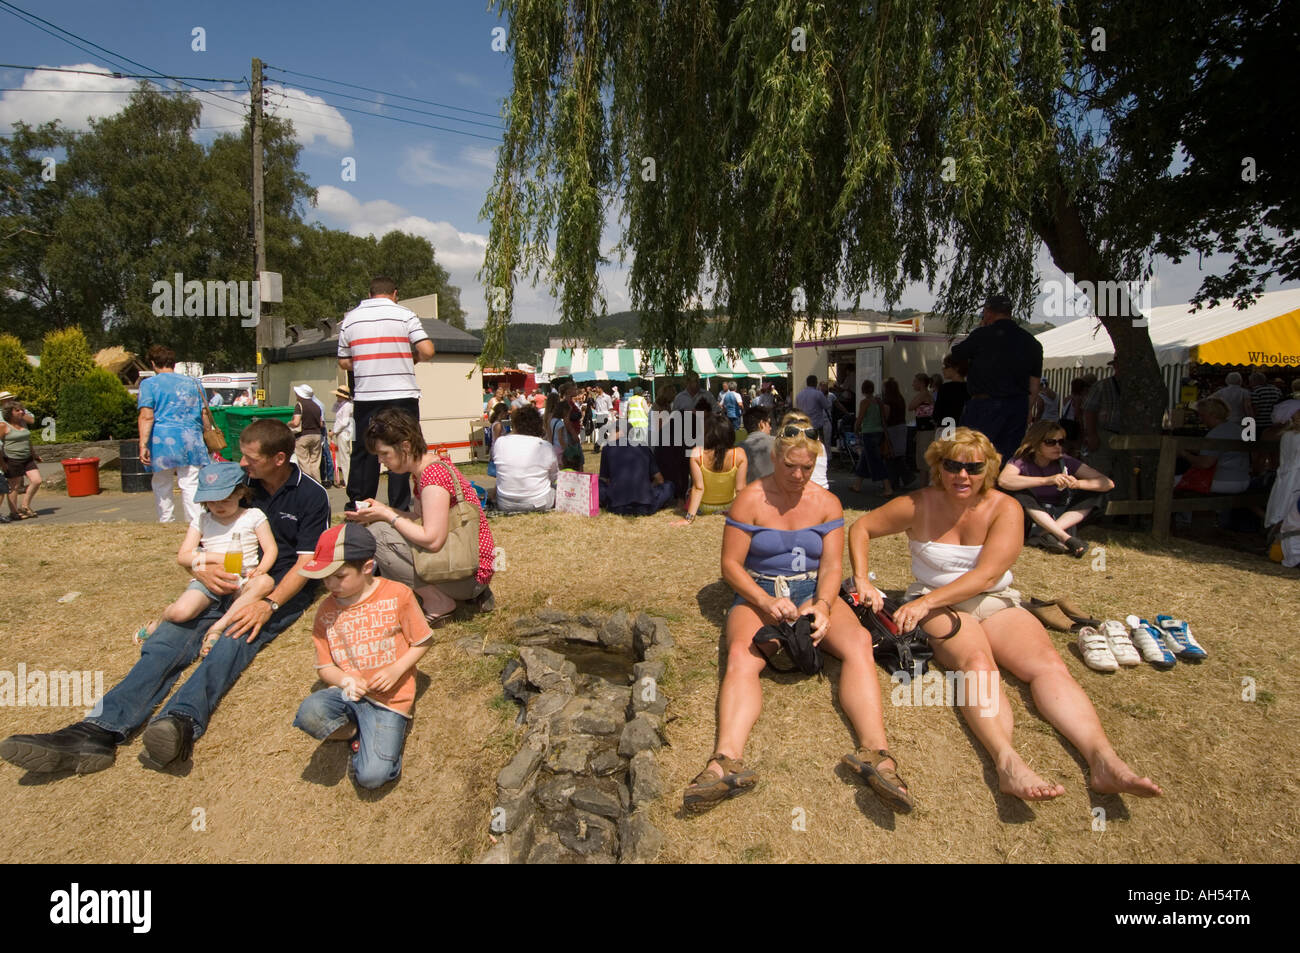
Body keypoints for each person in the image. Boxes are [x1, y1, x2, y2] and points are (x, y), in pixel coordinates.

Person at [847, 427, 1162, 801]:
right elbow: (862, 527)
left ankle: (1104, 760)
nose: (962, 476)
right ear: (938, 466)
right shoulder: (918, 503)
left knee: (1048, 666)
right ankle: (1007, 762)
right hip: (937, 602)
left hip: (992, 598)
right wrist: (862, 580)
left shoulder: (1006, 508)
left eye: (974, 468)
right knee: (978, 664)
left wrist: (922, 604)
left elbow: (989, 575)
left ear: (989, 470)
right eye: (952, 466)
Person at [0, 419, 330, 773]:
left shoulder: (310, 495)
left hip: (269, 587)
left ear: (279, 458)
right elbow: (203, 539)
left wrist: (269, 604)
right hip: (224, 577)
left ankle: (179, 722)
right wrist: (199, 569)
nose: (243, 463)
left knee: (231, 641)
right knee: (168, 640)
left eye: (251, 458)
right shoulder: (237, 482)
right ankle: (97, 730)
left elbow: (307, 564)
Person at [682, 419, 913, 813]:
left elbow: (831, 567)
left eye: (807, 467)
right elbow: (731, 566)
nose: (798, 475)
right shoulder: (751, 499)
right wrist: (764, 601)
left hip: (812, 589)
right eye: (790, 466)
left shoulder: (826, 503)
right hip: (760, 590)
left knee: (858, 644)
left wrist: (822, 606)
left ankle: (878, 755)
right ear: (774, 458)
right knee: (742, 654)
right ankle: (724, 762)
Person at [293, 523, 432, 790]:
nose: (330, 584)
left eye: (339, 576)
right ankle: (354, 731)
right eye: (325, 578)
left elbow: (423, 641)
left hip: (390, 701)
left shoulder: (397, 595)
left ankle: (375, 738)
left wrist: (396, 670)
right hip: (348, 693)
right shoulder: (326, 610)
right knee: (309, 712)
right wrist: (345, 679)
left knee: (372, 777)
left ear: (367, 567)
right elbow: (324, 666)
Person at [345, 408, 495, 626]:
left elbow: (432, 540)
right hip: (468, 565)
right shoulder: (426, 470)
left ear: (405, 446)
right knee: (380, 525)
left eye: (384, 453)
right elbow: (418, 518)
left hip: (470, 574)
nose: (381, 461)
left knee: (378, 534)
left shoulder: (432, 477)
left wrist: (387, 514)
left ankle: (439, 602)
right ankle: (448, 595)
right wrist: (381, 510)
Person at [134, 461, 278, 653]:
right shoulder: (202, 520)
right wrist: (217, 558)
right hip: (209, 579)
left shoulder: (253, 516)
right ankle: (160, 622)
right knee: (181, 613)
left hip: (242, 578)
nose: (218, 506)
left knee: (265, 583)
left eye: (225, 500)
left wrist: (261, 569)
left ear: (240, 493)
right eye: (212, 501)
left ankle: (217, 627)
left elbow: (270, 549)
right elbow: (184, 556)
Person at [338, 276, 435, 512]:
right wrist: (410, 358)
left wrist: (365, 361)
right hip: (402, 393)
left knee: (365, 450)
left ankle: (360, 504)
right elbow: (427, 350)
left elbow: (343, 362)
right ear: (395, 294)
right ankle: (399, 506)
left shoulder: (350, 320)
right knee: (403, 447)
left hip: (367, 394)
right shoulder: (405, 314)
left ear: (370, 294)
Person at [998, 420, 1114, 557]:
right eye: (1050, 442)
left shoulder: (1066, 461)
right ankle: (1064, 538)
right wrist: (1046, 480)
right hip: (1031, 515)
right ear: (1035, 443)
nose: (1057, 446)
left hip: (1060, 512)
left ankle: (1044, 535)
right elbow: (1004, 480)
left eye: (1061, 442)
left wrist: (1077, 484)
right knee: (1016, 491)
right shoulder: (1021, 461)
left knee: (1096, 492)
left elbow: (1107, 483)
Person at [951, 293, 1042, 465]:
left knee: (974, 454)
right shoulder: (1032, 343)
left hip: (985, 405)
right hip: (1017, 406)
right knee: (1007, 457)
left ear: (988, 312)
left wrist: (980, 329)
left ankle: (976, 490)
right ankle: (1002, 489)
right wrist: (1027, 409)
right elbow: (1034, 384)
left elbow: (957, 353)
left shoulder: (981, 335)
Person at [137, 345, 210, 524]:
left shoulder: (149, 384)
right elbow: (204, 413)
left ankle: (166, 519)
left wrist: (143, 444)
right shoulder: (194, 383)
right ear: (174, 363)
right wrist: (208, 435)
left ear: (153, 364)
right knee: (190, 482)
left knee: (162, 481)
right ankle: (194, 522)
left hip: (162, 439)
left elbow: (147, 416)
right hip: (191, 438)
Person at [675, 414, 748, 524]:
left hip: (703, 509)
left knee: (690, 492)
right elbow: (740, 489)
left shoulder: (696, 453)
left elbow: (698, 488)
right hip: (728, 506)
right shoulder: (740, 454)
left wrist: (688, 518)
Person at [599, 420, 676, 515]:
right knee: (669, 486)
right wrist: (648, 488)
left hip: (616, 507)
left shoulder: (607, 448)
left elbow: (602, 480)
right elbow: (659, 480)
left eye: (611, 431)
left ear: (620, 432)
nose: (609, 434)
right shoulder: (643, 447)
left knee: (598, 485)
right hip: (645, 506)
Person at [491, 404, 558, 512]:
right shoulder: (545, 446)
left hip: (505, 502)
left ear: (515, 424)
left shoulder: (500, 442)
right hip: (538, 502)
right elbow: (554, 476)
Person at [1178, 398, 1251, 495]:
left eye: (1202, 415)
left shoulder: (1215, 433)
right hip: (1244, 480)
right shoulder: (1238, 429)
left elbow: (1205, 464)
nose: (1201, 419)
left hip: (1224, 482)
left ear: (1212, 415)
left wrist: (1184, 454)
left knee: (1173, 480)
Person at [1, 401, 42, 519]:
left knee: (37, 480)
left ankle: (25, 505)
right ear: (10, 413)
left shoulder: (23, 423)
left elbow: (28, 441)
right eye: (17, 410)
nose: (21, 412)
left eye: (21, 410)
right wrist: (2, 463)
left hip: (27, 458)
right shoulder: (4, 426)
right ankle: (14, 512)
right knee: (15, 486)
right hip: (12, 459)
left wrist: (34, 454)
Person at [850, 379, 892, 495]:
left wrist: (856, 429)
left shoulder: (865, 402)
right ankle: (857, 485)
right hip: (879, 432)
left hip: (868, 433)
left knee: (876, 460)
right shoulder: (878, 401)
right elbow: (886, 413)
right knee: (865, 458)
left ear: (863, 390)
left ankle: (887, 487)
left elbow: (860, 418)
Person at [290, 384, 325, 484]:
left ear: (300, 395)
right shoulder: (317, 406)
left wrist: (289, 423)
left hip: (303, 436)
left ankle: (308, 484)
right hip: (317, 435)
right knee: (315, 463)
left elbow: (296, 422)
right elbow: (321, 423)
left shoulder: (299, 405)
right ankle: (318, 484)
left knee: (304, 462)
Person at [882, 378, 911, 489]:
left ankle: (894, 481)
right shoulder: (900, 398)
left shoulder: (888, 401)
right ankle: (903, 478)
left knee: (890, 456)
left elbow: (886, 416)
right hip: (901, 427)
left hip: (892, 428)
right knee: (898, 456)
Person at [794, 374, 833, 446]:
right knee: (819, 447)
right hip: (816, 425)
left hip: (803, 425)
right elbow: (827, 406)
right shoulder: (818, 394)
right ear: (815, 383)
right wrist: (826, 395)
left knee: (805, 445)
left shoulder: (799, 394)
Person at [740, 405, 775, 480]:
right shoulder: (780, 444)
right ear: (761, 424)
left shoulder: (737, 450)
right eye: (769, 423)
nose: (771, 428)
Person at [330, 385, 354, 486]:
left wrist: (334, 431)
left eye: (338, 395)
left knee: (345, 458)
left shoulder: (348, 406)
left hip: (344, 432)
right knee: (344, 457)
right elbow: (333, 409)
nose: (337, 396)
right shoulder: (342, 405)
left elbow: (343, 422)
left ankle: (348, 480)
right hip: (343, 432)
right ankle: (347, 479)